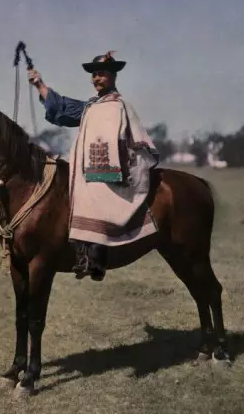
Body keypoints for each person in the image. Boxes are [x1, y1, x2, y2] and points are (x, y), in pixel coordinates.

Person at [28, 51, 159, 281]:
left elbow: (134, 141)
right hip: (89, 169)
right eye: (94, 75)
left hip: (116, 171)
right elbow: (63, 108)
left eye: (101, 74)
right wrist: (40, 84)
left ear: (112, 76)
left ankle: (95, 260)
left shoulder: (120, 107)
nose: (96, 79)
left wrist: (118, 165)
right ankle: (80, 255)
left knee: (96, 195)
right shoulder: (91, 106)